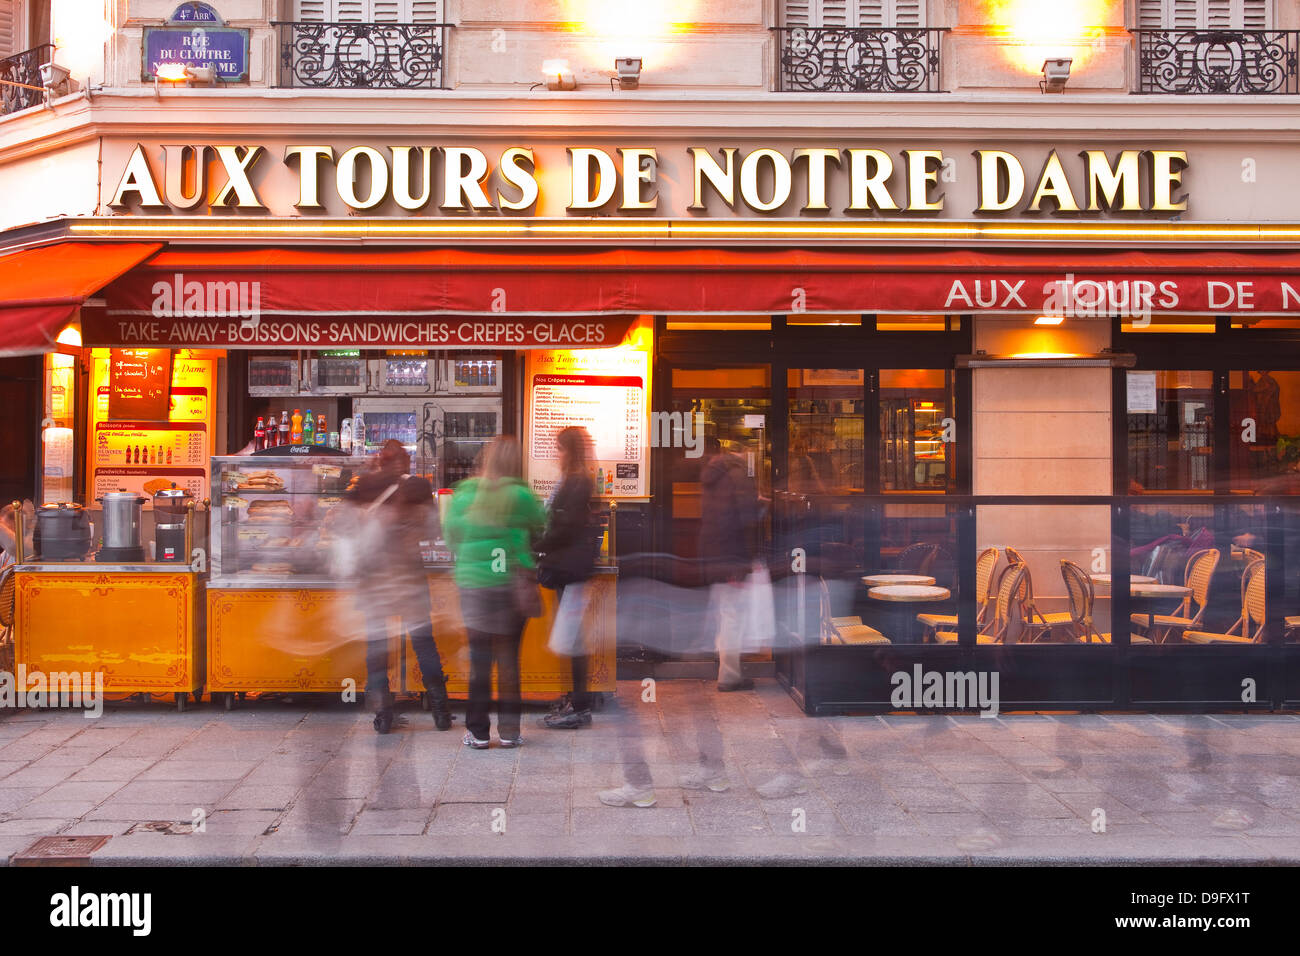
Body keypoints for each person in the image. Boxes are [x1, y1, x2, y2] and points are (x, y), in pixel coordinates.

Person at [444, 436, 547, 749]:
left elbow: (450, 537)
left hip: (474, 587)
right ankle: (510, 732)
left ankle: (477, 732)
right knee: (508, 661)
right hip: (510, 588)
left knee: (479, 661)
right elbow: (542, 527)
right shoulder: (521, 495)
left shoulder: (464, 494)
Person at [347, 439, 452, 735]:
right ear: (406, 461)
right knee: (423, 643)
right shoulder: (418, 487)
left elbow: (345, 525)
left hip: (375, 579)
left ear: (381, 460)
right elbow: (434, 530)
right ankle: (441, 712)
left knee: (377, 647)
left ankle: (383, 716)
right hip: (409, 578)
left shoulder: (366, 484)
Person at [537, 426, 602, 730]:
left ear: (570, 451)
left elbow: (565, 527)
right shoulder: (574, 480)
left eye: (560, 448)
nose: (556, 453)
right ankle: (575, 699)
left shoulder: (577, 482)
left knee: (574, 639)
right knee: (571, 636)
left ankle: (580, 705)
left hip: (572, 569)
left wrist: (538, 546)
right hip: (569, 568)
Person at [699, 436, 762, 692]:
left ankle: (726, 665)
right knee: (732, 615)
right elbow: (745, 519)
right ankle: (729, 676)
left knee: (725, 611)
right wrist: (748, 558)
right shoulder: (739, 476)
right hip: (731, 553)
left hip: (713, 550)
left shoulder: (711, 475)